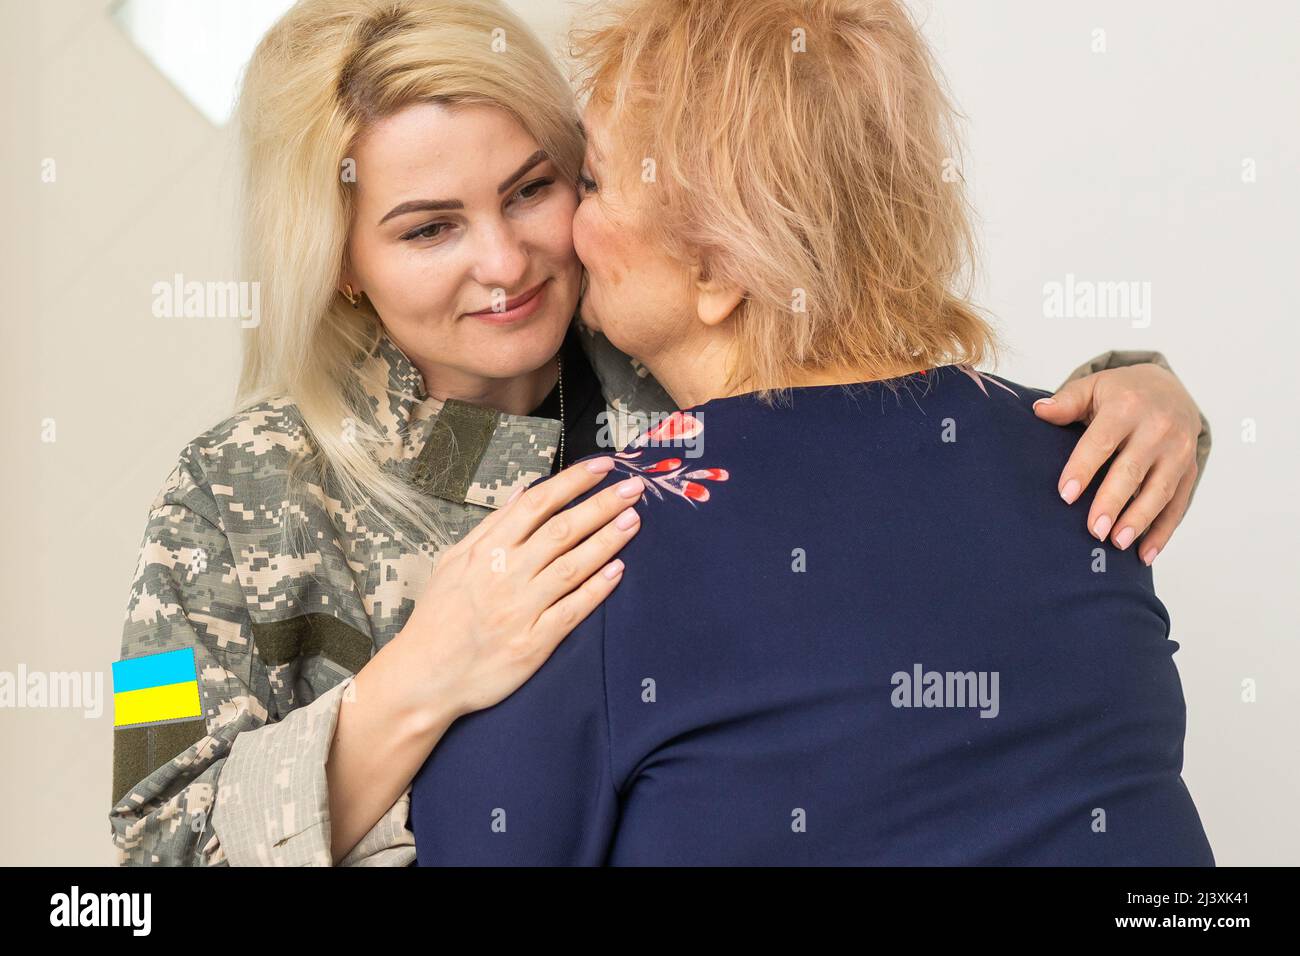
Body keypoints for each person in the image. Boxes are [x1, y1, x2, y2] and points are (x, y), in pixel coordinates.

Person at [113, 0, 1210, 866]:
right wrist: (415, 681)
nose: (507, 261)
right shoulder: (213, 495)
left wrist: (1130, 389)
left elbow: (869, 347)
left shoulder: (670, 353)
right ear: (342, 259)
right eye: (431, 227)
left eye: (538, 186)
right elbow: (141, 847)